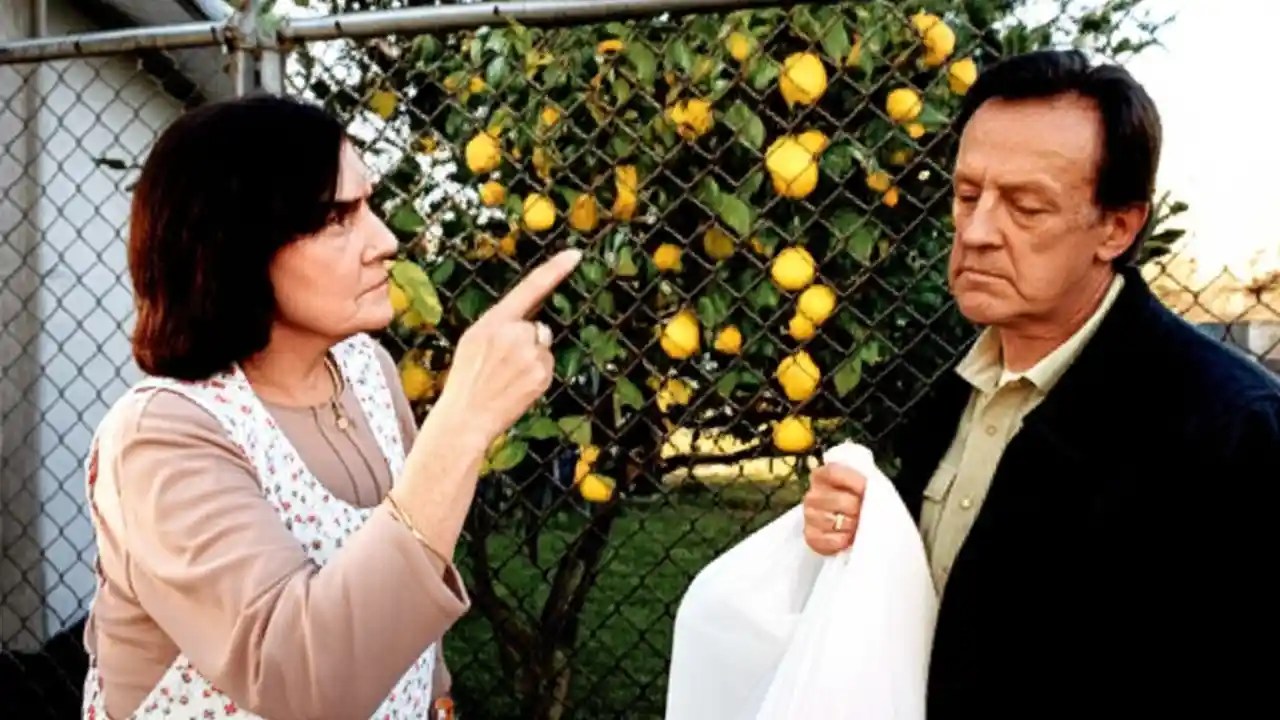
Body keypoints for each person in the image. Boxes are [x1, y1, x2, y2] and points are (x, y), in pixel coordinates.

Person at [803, 49, 1278, 717]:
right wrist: (860, 536)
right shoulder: (952, 392)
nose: (977, 231)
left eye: (1025, 207)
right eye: (967, 195)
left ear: (1118, 226)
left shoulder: (1228, 428)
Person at [80, 93, 581, 719]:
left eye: (369, 206)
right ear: (236, 243)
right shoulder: (162, 435)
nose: (385, 241)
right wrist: (464, 420)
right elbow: (298, 680)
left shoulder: (365, 371)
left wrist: (436, 699)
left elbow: (409, 583)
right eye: (335, 219)